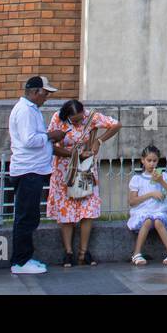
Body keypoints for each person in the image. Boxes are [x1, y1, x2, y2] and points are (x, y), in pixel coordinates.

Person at [47, 99, 120, 267]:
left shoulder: (91, 116)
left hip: (85, 168)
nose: (79, 122)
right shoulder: (57, 119)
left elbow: (116, 124)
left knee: (87, 208)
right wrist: (70, 153)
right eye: (75, 120)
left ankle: (83, 251)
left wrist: (99, 141)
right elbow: (49, 145)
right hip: (64, 170)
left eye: (80, 118)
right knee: (66, 210)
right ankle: (68, 252)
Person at [7, 75, 64, 276]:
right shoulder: (24, 111)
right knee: (25, 217)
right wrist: (52, 136)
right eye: (44, 93)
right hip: (28, 170)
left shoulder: (31, 110)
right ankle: (20, 262)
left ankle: (24, 258)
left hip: (34, 169)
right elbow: (29, 140)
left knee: (29, 216)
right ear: (33, 92)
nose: (46, 97)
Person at [128, 145, 167, 266]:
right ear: (142, 160)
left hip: (159, 211)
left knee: (158, 221)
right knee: (148, 220)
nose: (152, 164)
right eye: (149, 160)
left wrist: (161, 181)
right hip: (142, 212)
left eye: (154, 161)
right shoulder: (137, 179)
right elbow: (132, 201)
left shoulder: (165, 176)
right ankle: (136, 253)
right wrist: (151, 194)